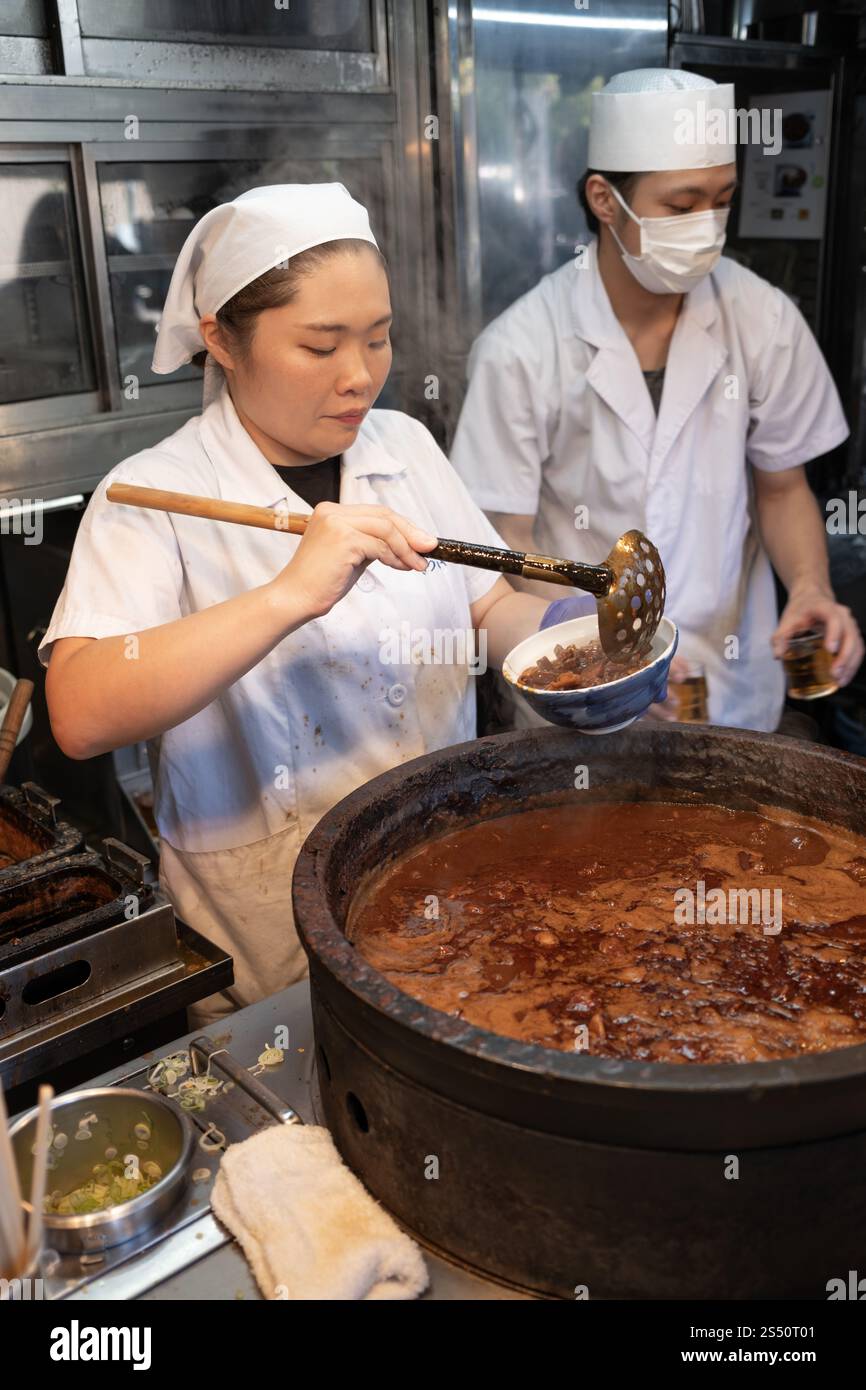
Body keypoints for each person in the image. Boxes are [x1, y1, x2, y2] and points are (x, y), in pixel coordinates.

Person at [40, 183, 549, 1026]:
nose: (361, 376)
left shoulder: (404, 446)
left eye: (380, 339)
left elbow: (484, 607)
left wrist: (572, 652)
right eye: (321, 346)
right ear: (221, 341)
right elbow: (81, 710)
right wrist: (286, 597)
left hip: (441, 874)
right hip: (268, 922)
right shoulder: (153, 495)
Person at [451, 69, 863, 731]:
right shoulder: (523, 347)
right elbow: (507, 544)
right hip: (581, 690)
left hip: (729, 685)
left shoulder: (764, 320)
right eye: (681, 204)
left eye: (722, 199)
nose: (706, 224)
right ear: (605, 200)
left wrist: (811, 587)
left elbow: (783, 489)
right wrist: (606, 652)